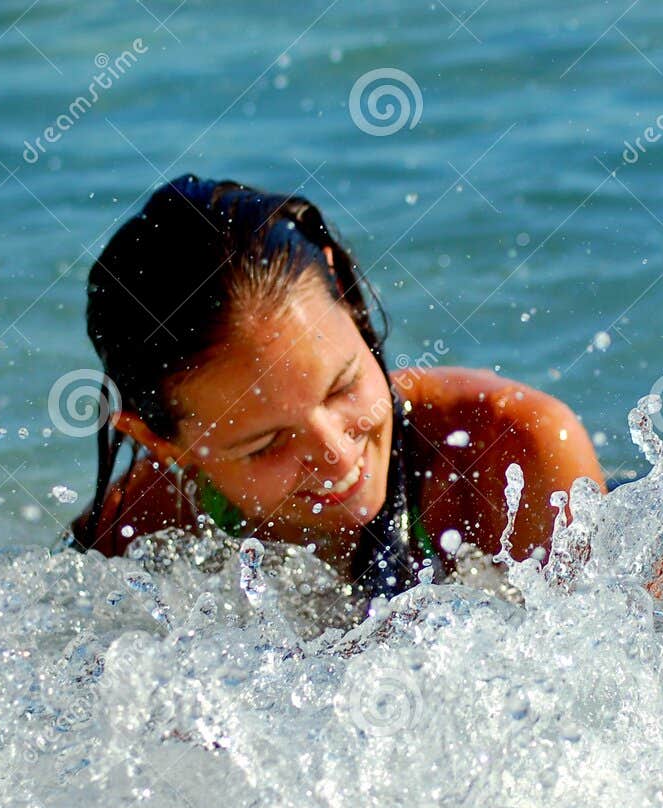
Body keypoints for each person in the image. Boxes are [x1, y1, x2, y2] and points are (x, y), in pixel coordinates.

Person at [68, 175, 606, 601]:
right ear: (163, 443)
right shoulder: (140, 533)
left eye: (341, 387)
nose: (334, 452)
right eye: (266, 444)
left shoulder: (509, 458)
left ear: (345, 293)